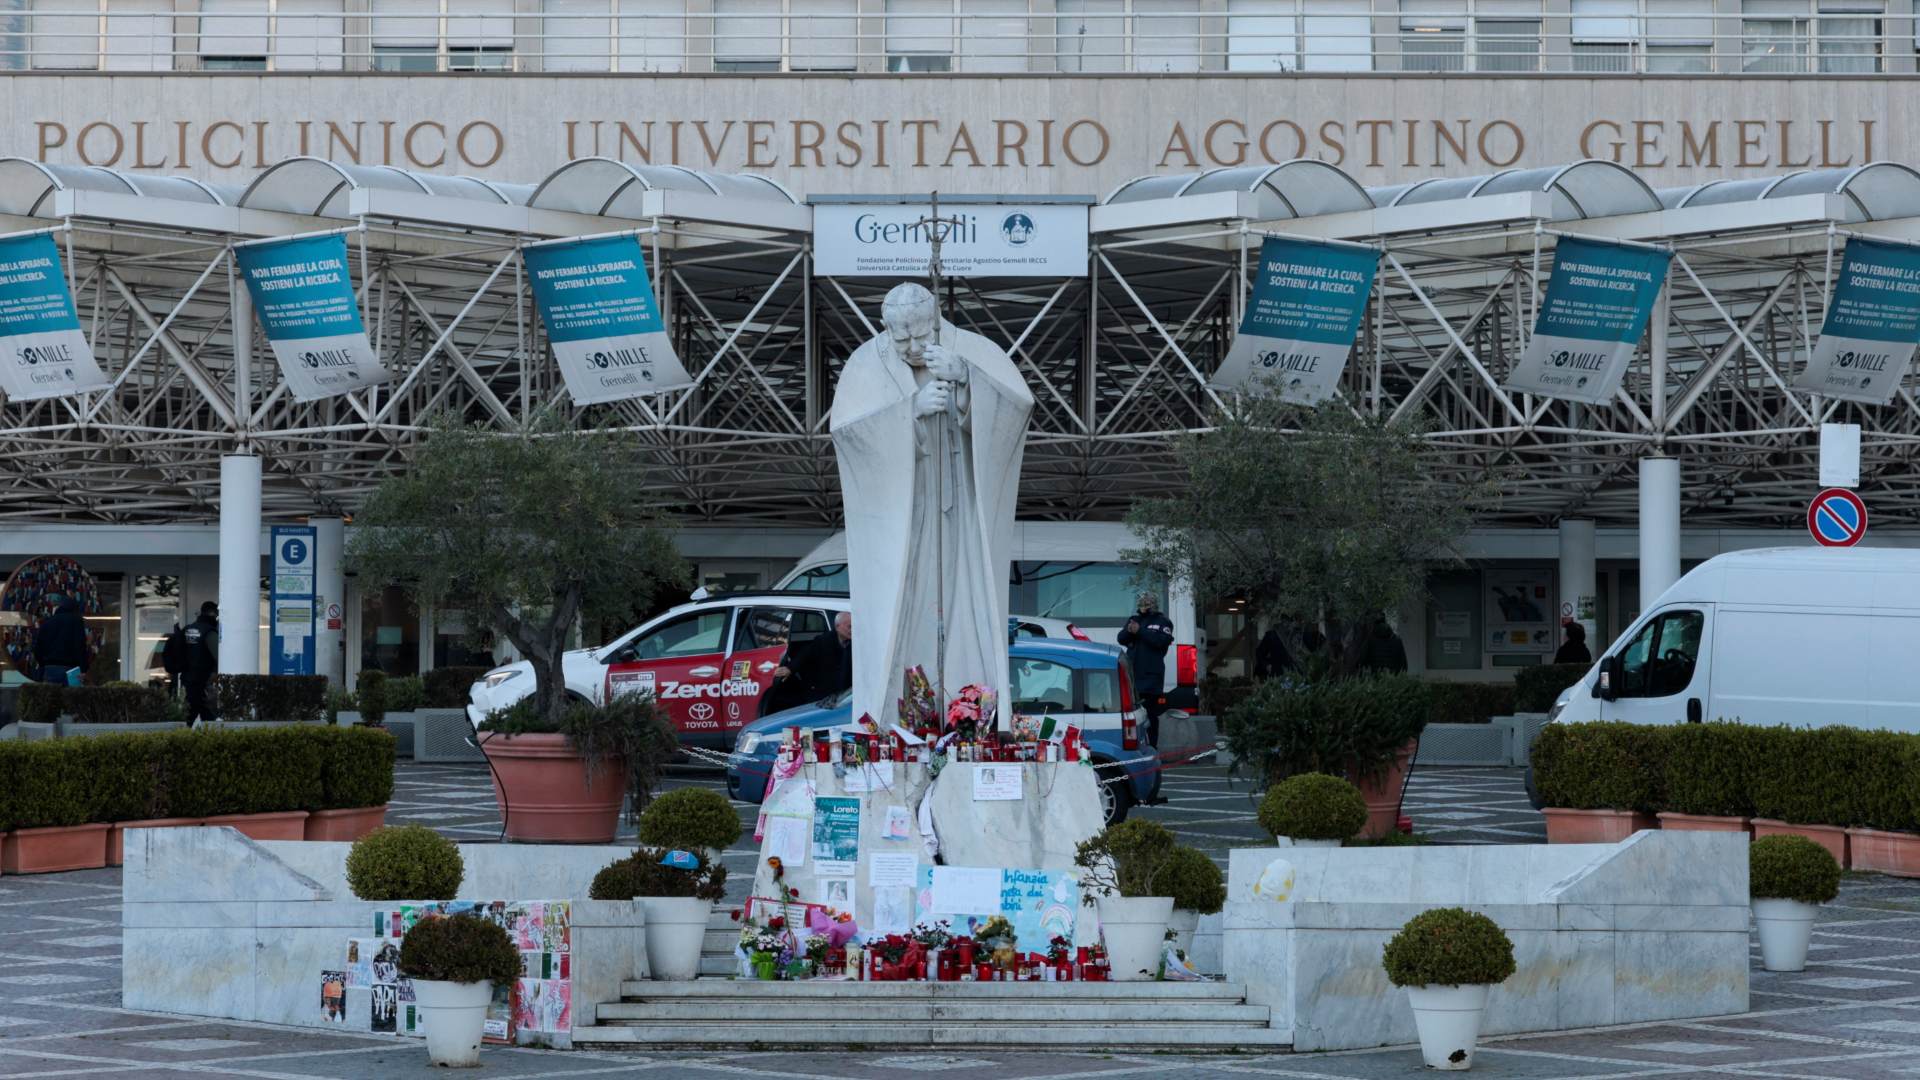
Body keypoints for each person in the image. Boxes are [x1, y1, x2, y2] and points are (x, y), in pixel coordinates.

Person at [763, 612, 853, 715]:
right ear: (837, 627)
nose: (852, 630)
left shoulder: (855, 642)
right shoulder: (823, 641)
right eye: (849, 627)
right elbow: (805, 655)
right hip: (824, 692)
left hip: (845, 693)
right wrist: (790, 669)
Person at [1117, 591, 1175, 746]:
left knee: (1149, 715)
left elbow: (1161, 641)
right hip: (1132, 677)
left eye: (1147, 603)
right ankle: (1135, 746)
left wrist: (1140, 631)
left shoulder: (1163, 622)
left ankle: (1152, 747)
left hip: (1151, 679)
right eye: (1141, 603)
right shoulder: (1134, 620)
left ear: (1154, 604)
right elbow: (1121, 638)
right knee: (1132, 715)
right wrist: (1130, 630)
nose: (1143, 606)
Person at [31, 594, 90, 684]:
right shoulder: (76, 621)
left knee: (51, 697)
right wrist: (83, 668)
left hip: (50, 668)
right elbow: (80, 646)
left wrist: (44, 664)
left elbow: (38, 647)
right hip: (71, 668)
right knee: (70, 697)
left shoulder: (48, 622)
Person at [182, 601, 220, 726]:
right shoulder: (209, 632)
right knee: (208, 715)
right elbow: (218, 656)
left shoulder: (187, 629)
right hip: (204, 681)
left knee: (189, 714)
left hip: (187, 680)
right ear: (212, 613)